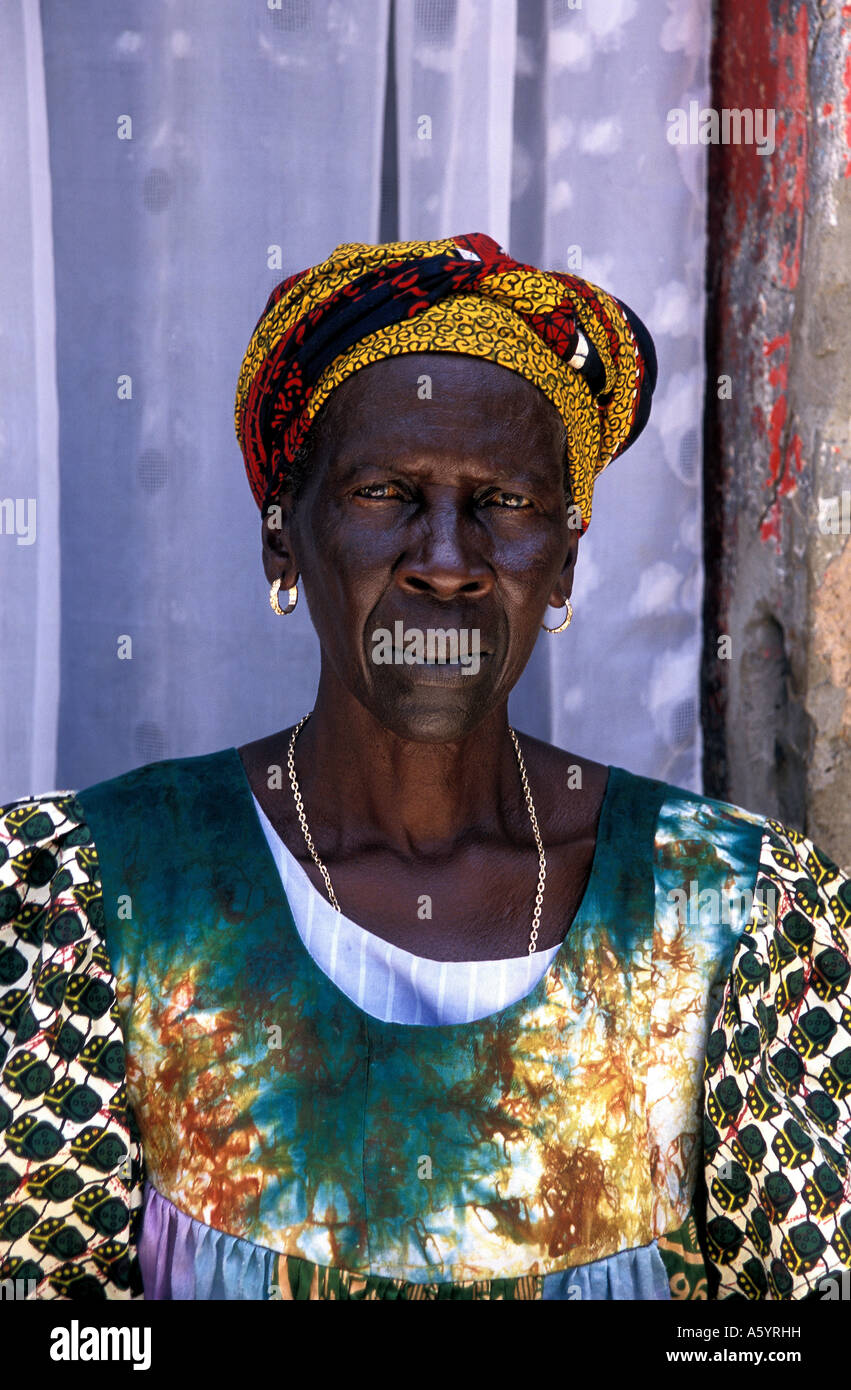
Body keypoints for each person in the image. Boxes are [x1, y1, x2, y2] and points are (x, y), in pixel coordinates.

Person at [1, 233, 849, 1301]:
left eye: (504, 504)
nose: (446, 562)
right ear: (281, 538)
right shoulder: (103, 897)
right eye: (384, 492)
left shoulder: (729, 916)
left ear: (563, 563)